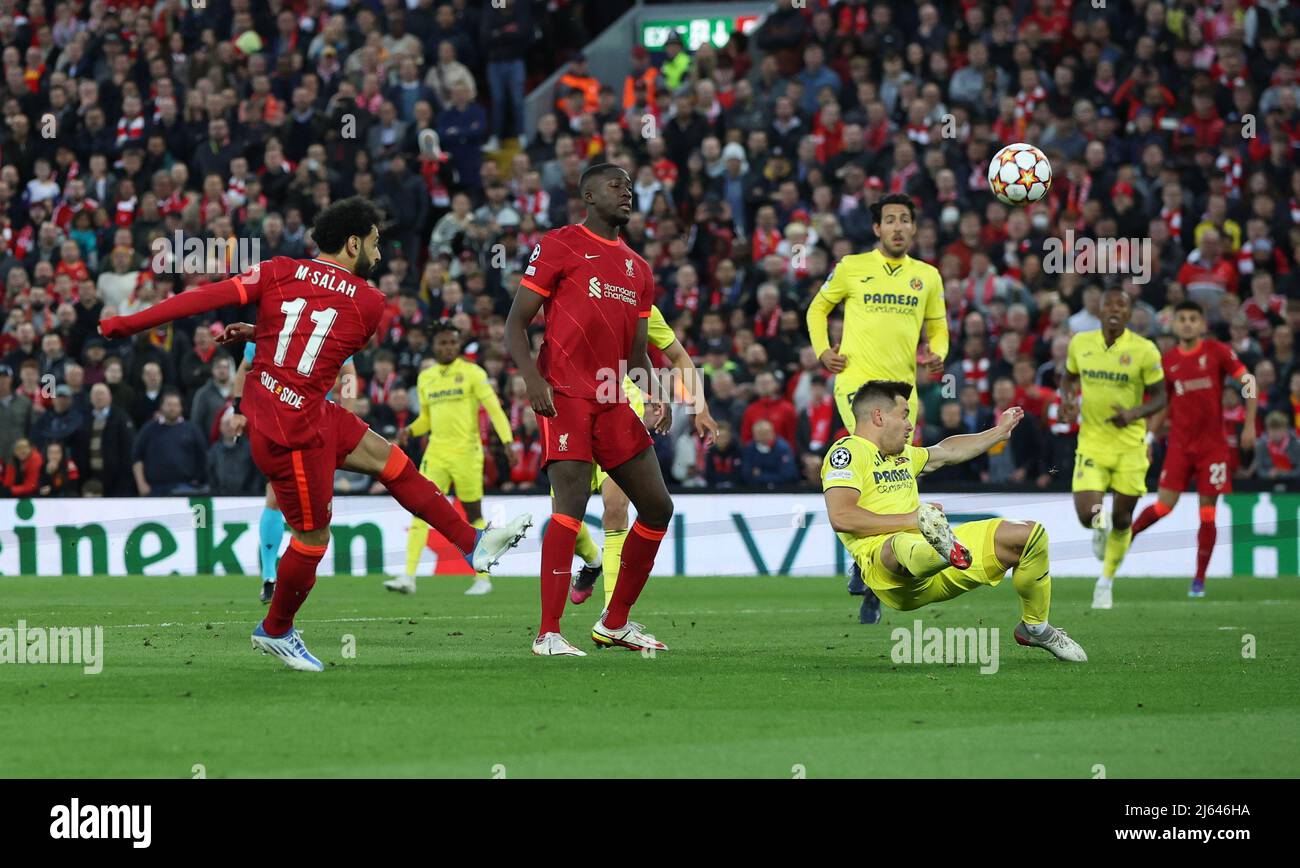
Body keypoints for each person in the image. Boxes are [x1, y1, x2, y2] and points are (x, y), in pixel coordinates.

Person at [100, 197, 531, 673]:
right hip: (294, 432)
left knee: (391, 462)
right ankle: (276, 628)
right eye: (374, 243)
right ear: (353, 243)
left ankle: (473, 543)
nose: (380, 254)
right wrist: (266, 331)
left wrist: (126, 325)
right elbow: (323, 338)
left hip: (287, 409)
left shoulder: (277, 269)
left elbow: (203, 299)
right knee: (311, 539)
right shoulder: (370, 303)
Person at [505, 163, 675, 657]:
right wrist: (534, 381)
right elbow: (516, 323)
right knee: (572, 505)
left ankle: (613, 622)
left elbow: (637, 348)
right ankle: (548, 633)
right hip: (565, 394)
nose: (626, 192)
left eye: (628, 186)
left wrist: (652, 389)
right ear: (588, 195)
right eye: (614, 186)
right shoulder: (561, 244)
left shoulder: (638, 269)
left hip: (613, 398)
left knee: (659, 506)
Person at [821, 381, 1087, 662]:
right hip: (893, 573)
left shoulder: (902, 456)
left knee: (1030, 535)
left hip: (944, 561)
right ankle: (938, 544)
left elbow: (947, 451)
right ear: (878, 416)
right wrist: (912, 520)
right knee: (900, 543)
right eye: (904, 415)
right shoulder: (848, 452)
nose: (910, 425)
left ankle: (1035, 627)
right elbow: (842, 516)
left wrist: (998, 432)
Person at [806, 191, 950, 624]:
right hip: (857, 388)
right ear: (876, 228)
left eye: (906, 219)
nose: (899, 227)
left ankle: (877, 566)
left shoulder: (927, 276)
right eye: (890, 220)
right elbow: (818, 308)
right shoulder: (851, 268)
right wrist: (822, 351)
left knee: (896, 473)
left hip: (904, 393)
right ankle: (864, 555)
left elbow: (938, 326)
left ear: (914, 228)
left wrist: (938, 353)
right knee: (863, 466)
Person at [567, 304, 717, 610]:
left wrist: (700, 406)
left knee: (615, 506)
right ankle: (593, 561)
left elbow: (678, 355)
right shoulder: (579, 294)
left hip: (621, 403)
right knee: (566, 516)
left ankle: (611, 615)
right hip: (576, 404)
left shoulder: (641, 306)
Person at [1130, 301, 1257, 597]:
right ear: (1174, 324)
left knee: (1208, 515)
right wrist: (1148, 438)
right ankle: (1128, 535)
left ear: (1202, 324)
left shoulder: (1217, 351)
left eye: (1192, 319)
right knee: (1163, 506)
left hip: (1212, 449)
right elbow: (1164, 403)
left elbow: (1248, 381)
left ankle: (1198, 580)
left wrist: (1249, 424)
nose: (1187, 323)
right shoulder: (1169, 360)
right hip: (1179, 446)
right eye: (1182, 319)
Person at [386, 322, 516, 596]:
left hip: (467, 455)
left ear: (459, 345)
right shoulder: (426, 378)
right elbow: (426, 421)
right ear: (434, 346)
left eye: (453, 343)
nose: (448, 347)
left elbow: (494, 409)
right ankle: (408, 576)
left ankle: (483, 579)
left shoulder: (472, 373)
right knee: (420, 508)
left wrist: (507, 442)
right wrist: (409, 429)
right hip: (436, 454)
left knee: (473, 514)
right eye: (443, 343)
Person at [1059, 288, 1167, 610]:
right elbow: (1068, 378)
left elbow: (1161, 397)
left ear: (1130, 313)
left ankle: (1105, 580)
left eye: (1122, 305)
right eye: (1110, 304)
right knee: (1086, 514)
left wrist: (1134, 414)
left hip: (1130, 446)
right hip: (1092, 441)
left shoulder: (1145, 350)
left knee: (1122, 518)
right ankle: (1097, 527)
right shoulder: (1080, 343)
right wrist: (1067, 400)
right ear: (1100, 310)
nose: (1115, 309)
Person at [233, 337, 358, 603]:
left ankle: (289, 577)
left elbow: (348, 374)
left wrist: (346, 415)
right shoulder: (270, 330)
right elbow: (244, 370)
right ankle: (270, 576)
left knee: (312, 506)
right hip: (275, 424)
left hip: (317, 426)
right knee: (276, 496)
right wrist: (237, 409)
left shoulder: (328, 331)